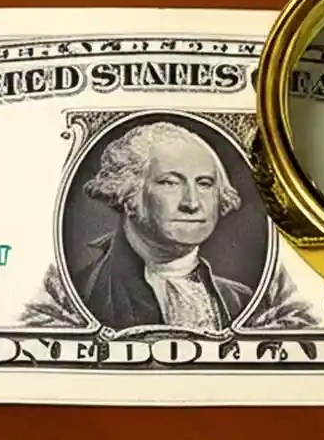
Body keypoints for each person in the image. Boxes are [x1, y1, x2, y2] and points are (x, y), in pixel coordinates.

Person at [72, 121, 253, 330]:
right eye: (170, 183)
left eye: (204, 183)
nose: (192, 203)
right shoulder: (84, 294)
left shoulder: (240, 299)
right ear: (128, 192)